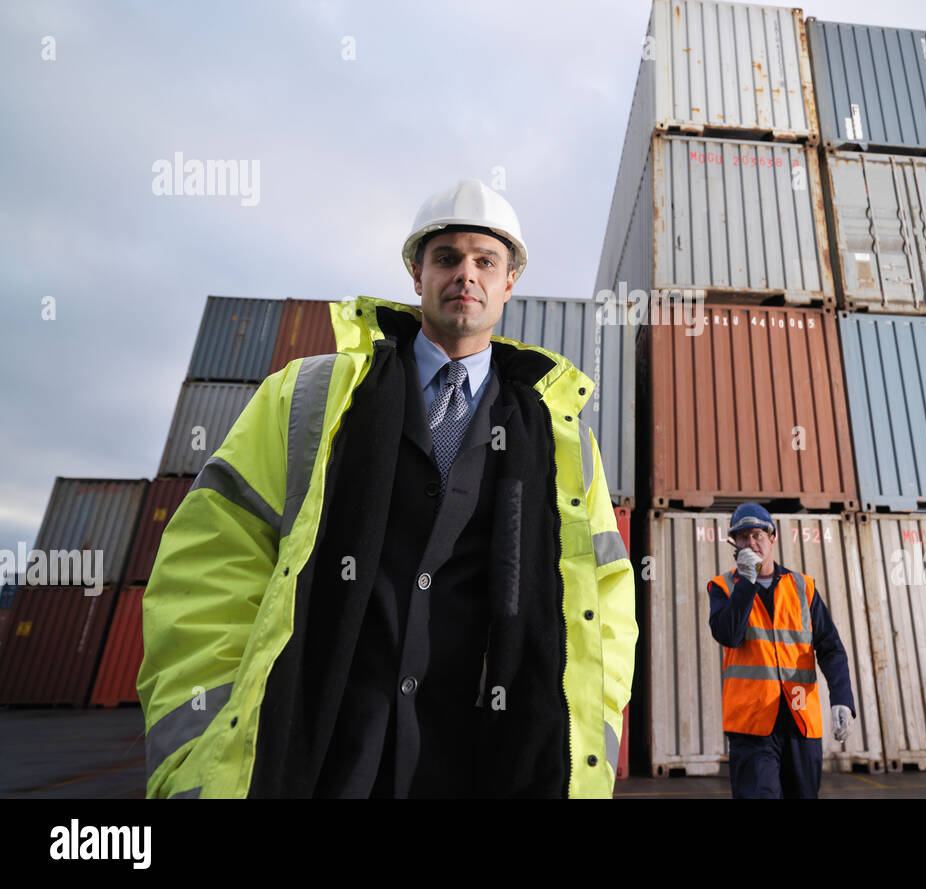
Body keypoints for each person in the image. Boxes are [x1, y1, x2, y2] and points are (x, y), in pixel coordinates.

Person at [137, 180, 637, 798]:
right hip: (322, 761)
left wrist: (591, 743)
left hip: (482, 765)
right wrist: (203, 748)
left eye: (486, 261)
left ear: (510, 283)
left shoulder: (562, 444)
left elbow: (607, 605)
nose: (466, 275)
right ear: (415, 272)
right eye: (447, 257)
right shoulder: (307, 399)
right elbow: (211, 566)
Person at [707, 502, 855, 799]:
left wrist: (841, 698)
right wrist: (746, 582)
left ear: (772, 538)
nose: (751, 543)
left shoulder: (803, 587)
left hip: (800, 723)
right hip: (751, 726)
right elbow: (729, 635)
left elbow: (831, 648)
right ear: (733, 544)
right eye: (743, 537)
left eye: (758, 535)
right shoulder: (723, 587)